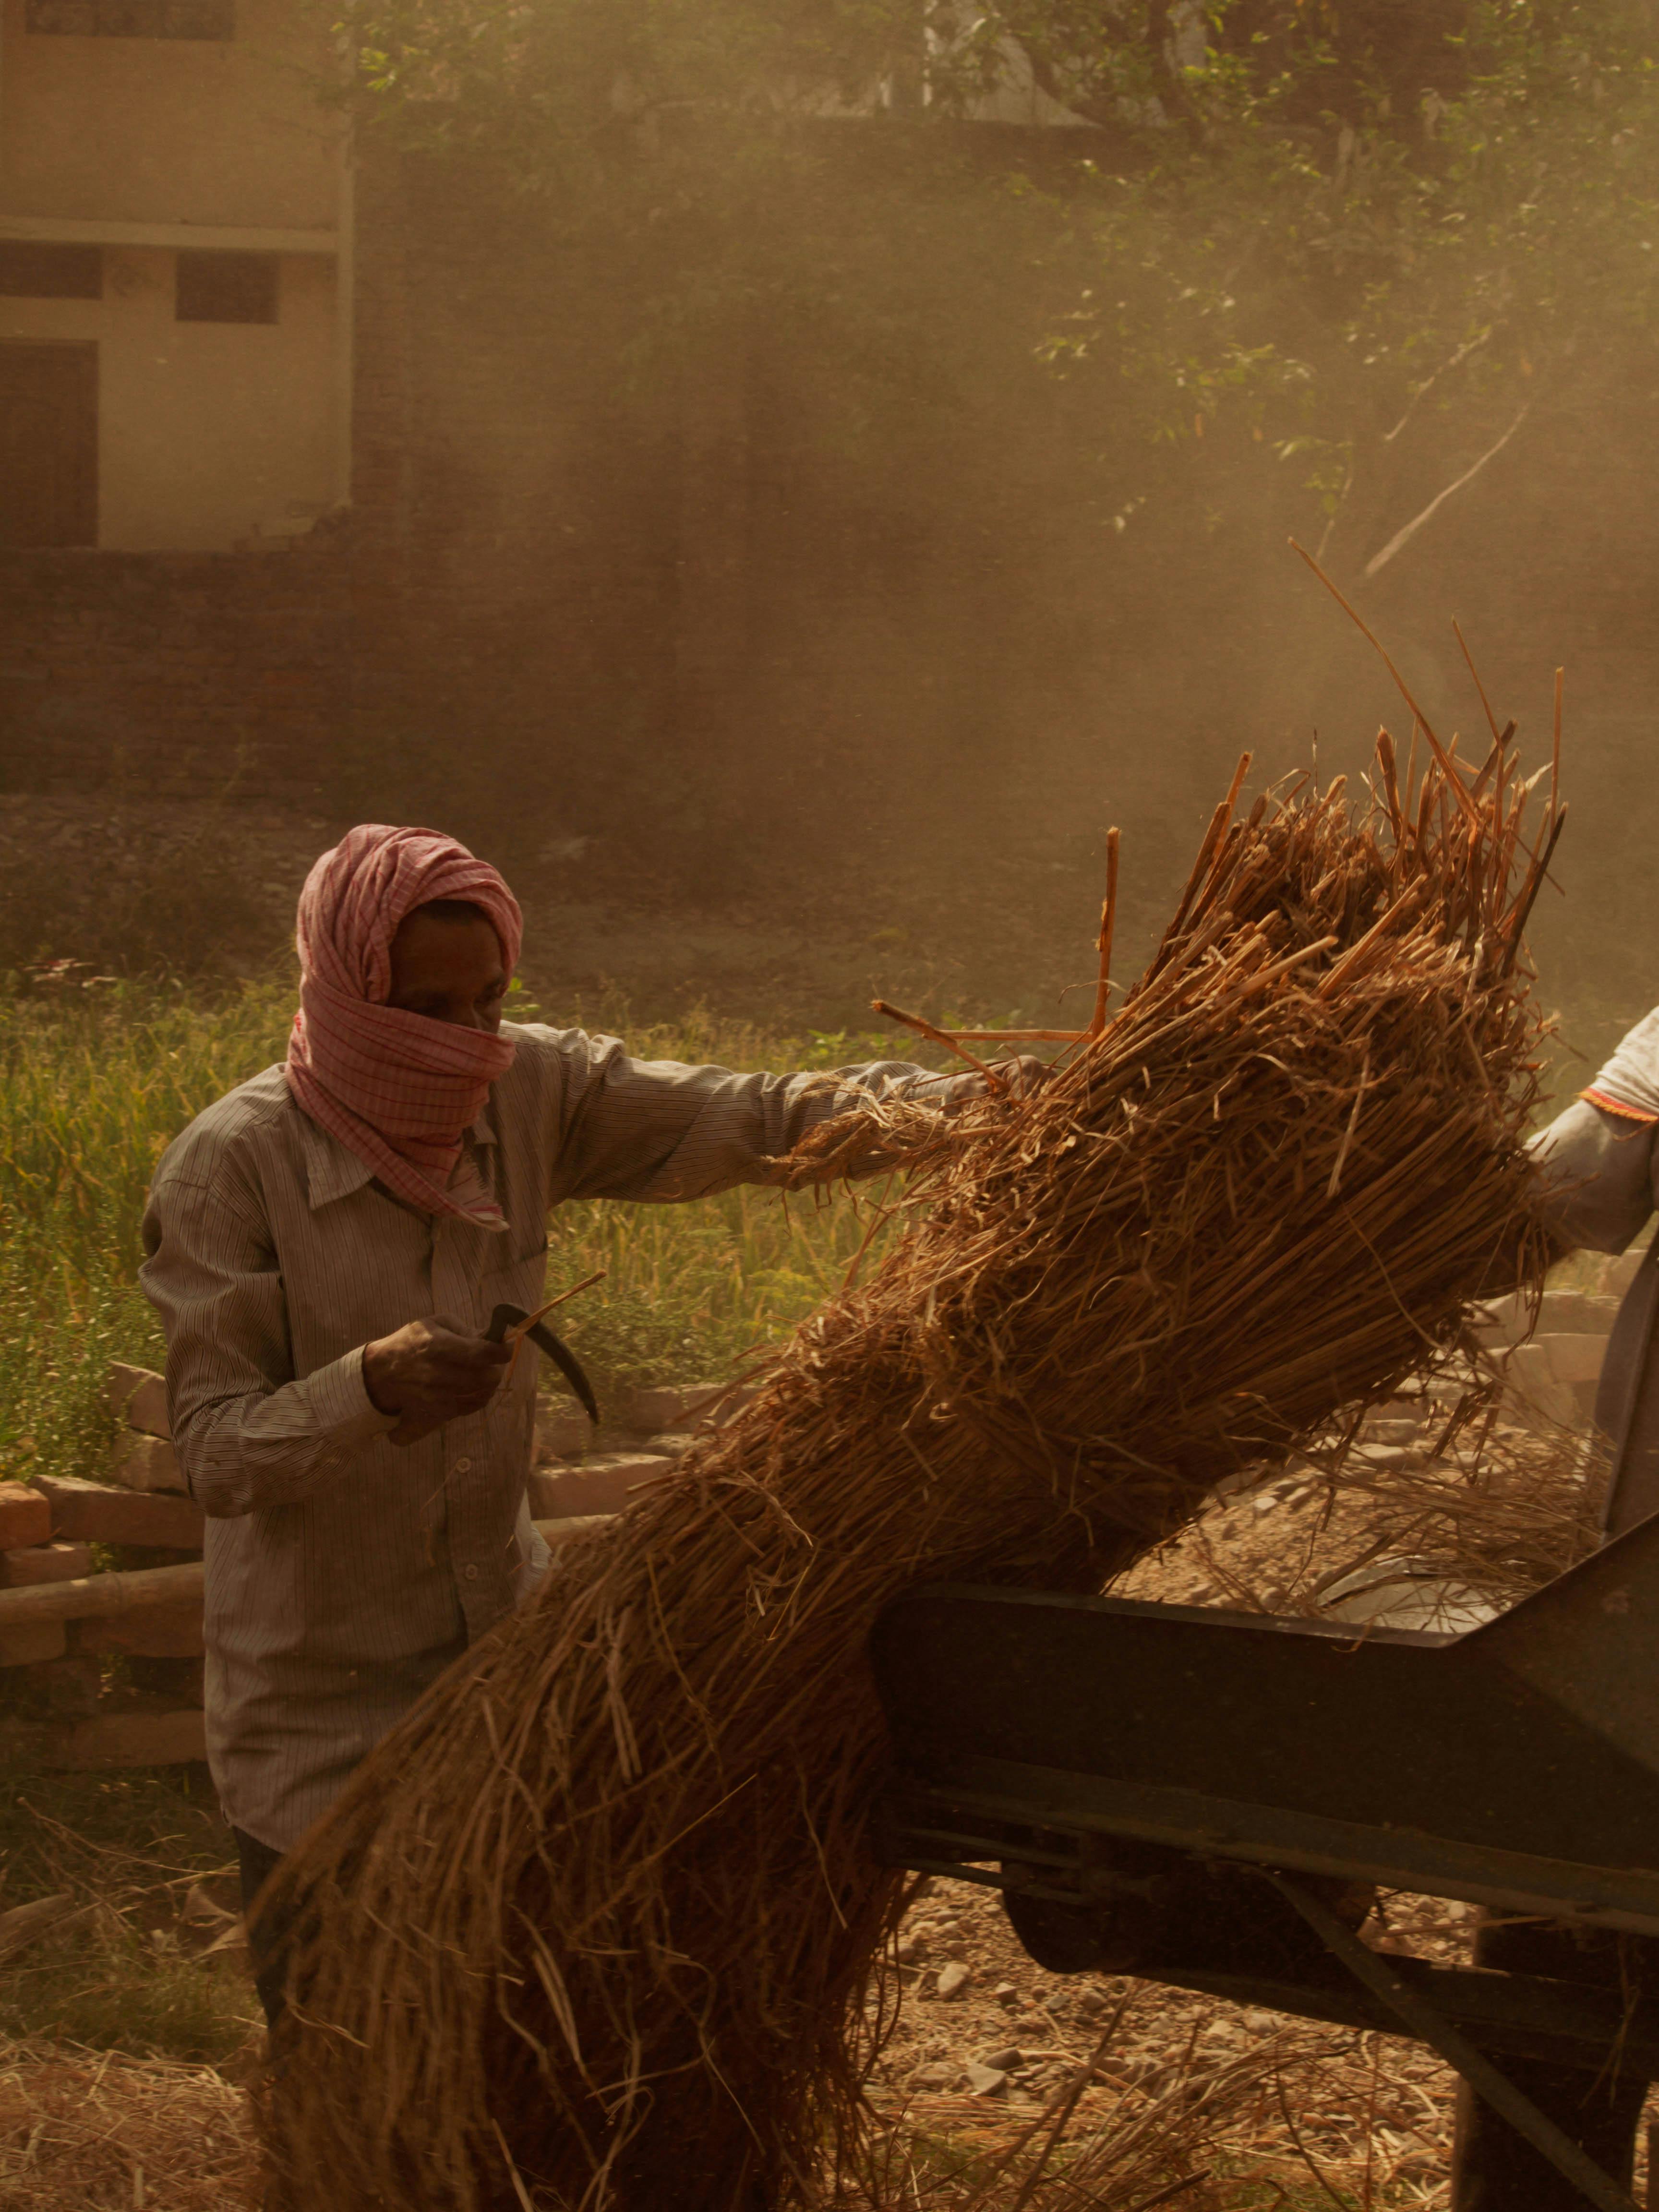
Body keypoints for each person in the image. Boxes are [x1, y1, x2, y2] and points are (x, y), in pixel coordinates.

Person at [140, 824, 1019, 2023]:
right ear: (346, 994)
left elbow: (757, 1114)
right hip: (321, 1725)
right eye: (425, 1007)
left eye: (488, 1002)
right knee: (349, 2064)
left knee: (520, 2046)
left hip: (510, 1677)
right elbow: (215, 1455)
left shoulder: (528, 1091)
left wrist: (976, 1110)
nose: (464, 1043)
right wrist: (364, 1389)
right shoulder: (231, 1171)